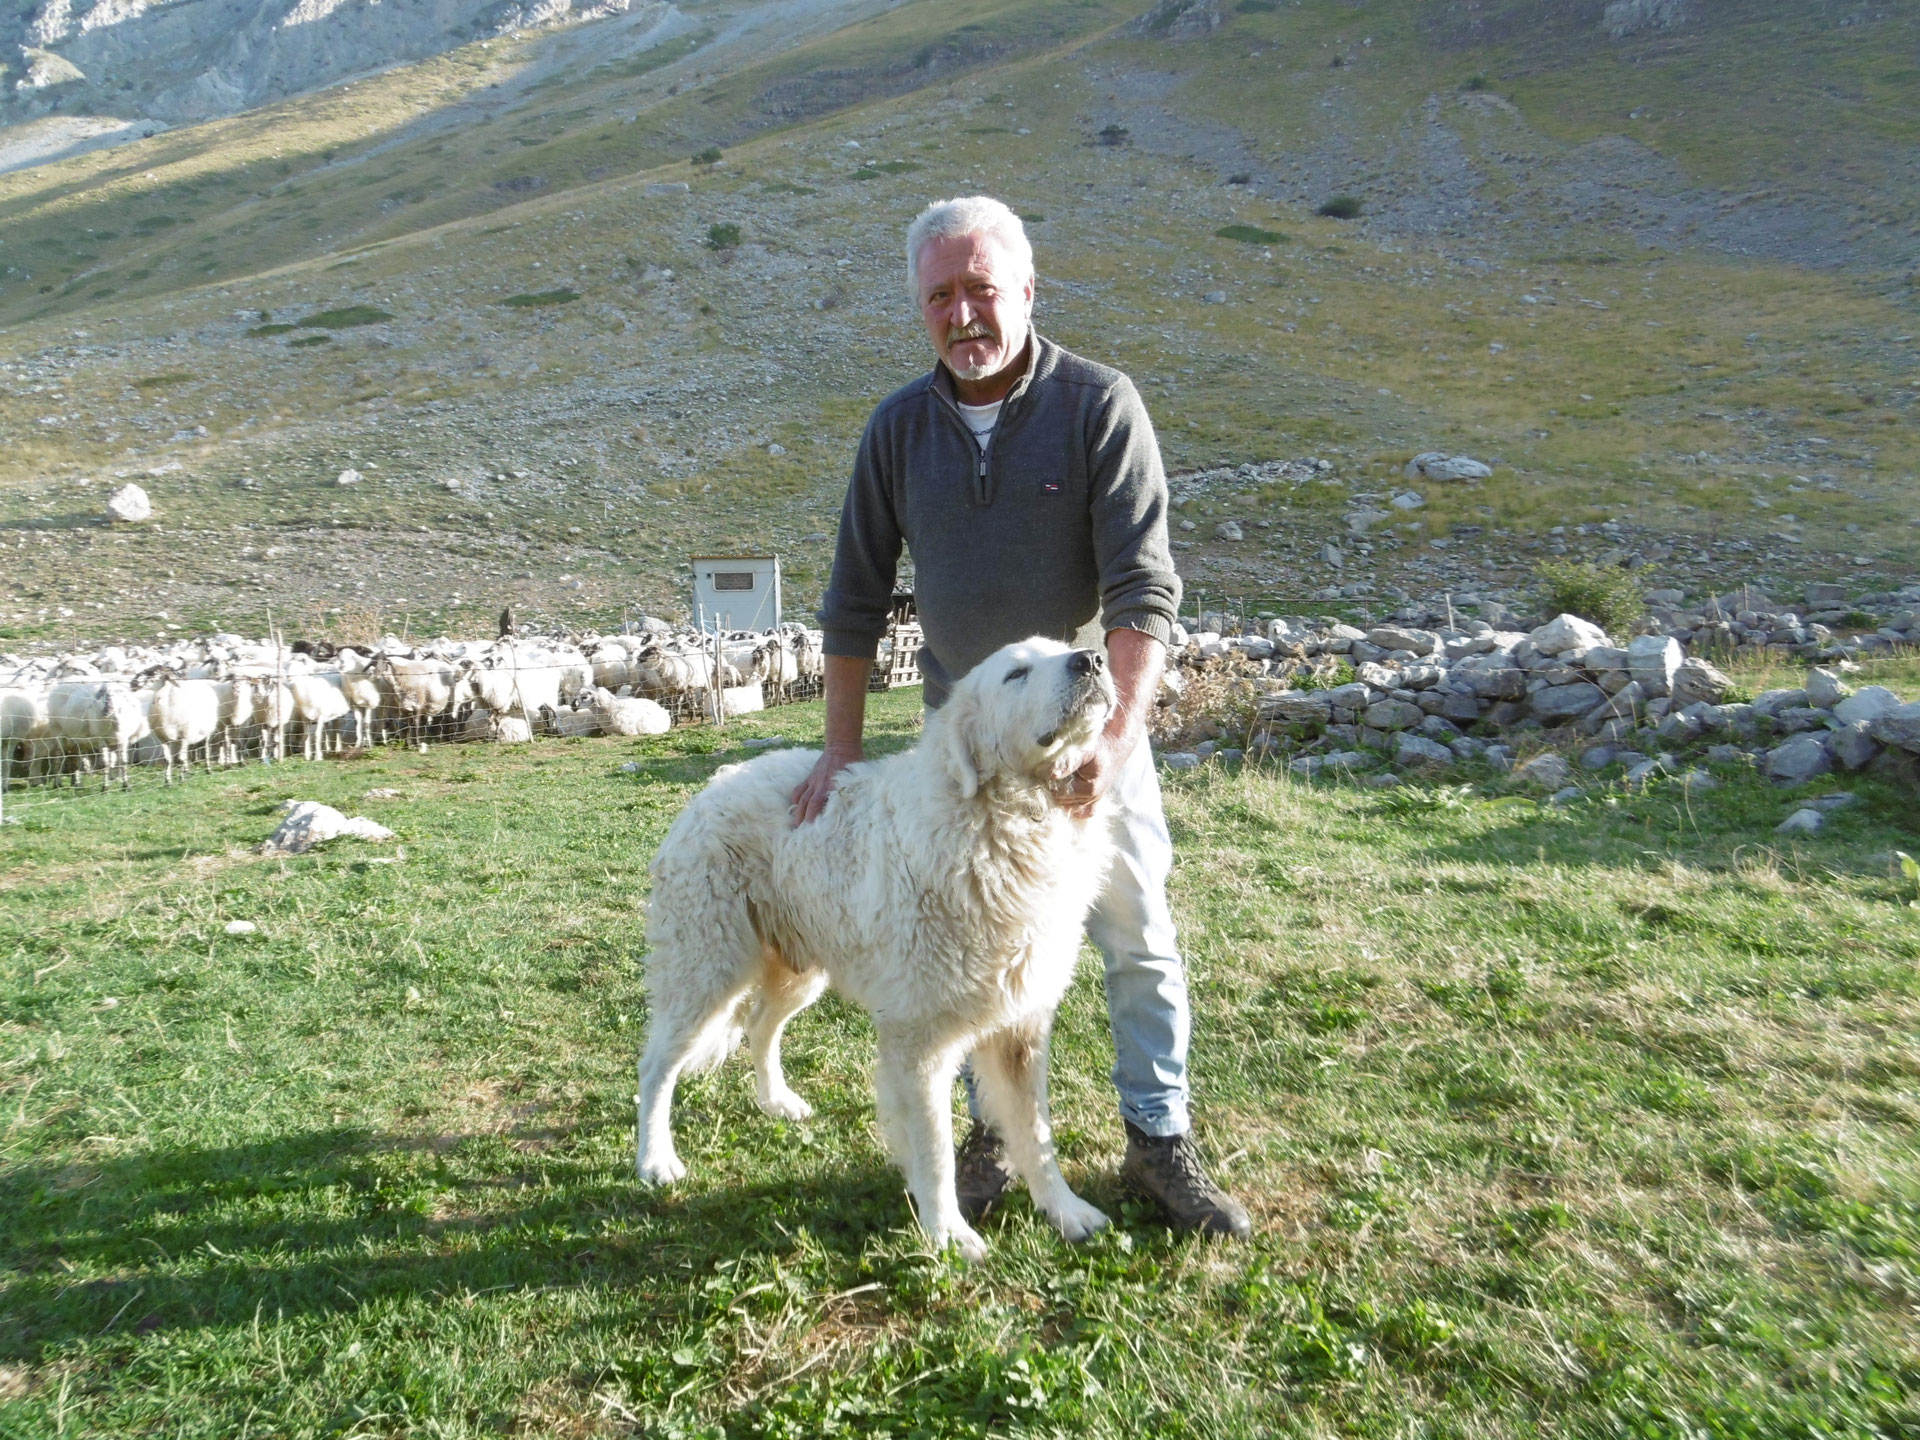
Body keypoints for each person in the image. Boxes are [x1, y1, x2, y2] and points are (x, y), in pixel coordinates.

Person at [792, 195, 1249, 1240]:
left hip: (1094, 731)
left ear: (1028, 291)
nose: (962, 315)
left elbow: (1143, 591)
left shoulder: (1098, 405)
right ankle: (985, 1140)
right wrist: (841, 757)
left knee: (1135, 930)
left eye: (981, 290)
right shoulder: (899, 431)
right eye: (940, 296)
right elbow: (853, 602)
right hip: (961, 751)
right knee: (953, 944)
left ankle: (1158, 1139)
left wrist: (1116, 741)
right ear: (921, 307)